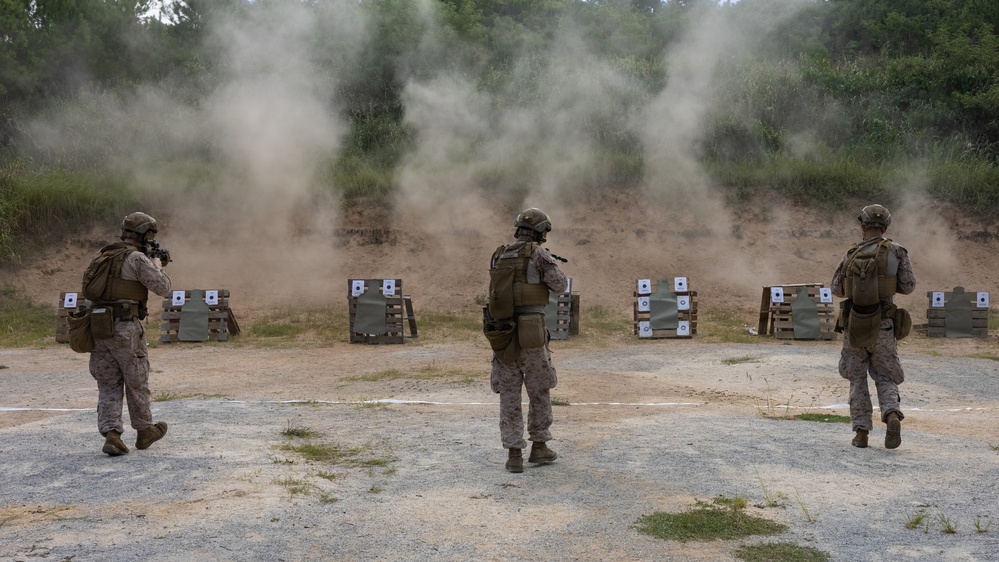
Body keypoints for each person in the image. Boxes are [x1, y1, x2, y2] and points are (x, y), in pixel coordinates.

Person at [486, 208, 568, 473]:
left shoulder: (498, 254)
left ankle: (513, 455)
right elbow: (560, 285)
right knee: (538, 390)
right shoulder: (538, 253)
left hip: (503, 334)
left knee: (509, 394)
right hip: (531, 333)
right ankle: (540, 447)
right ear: (541, 232)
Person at [86, 212, 173, 456]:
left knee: (108, 383)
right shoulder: (136, 258)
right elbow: (162, 287)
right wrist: (156, 264)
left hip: (99, 326)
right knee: (136, 379)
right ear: (146, 234)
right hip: (125, 327)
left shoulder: (104, 256)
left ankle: (112, 434)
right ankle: (145, 431)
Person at [831, 204, 916, 449]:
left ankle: (861, 433)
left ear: (863, 226)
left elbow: (837, 288)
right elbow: (908, 285)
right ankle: (891, 414)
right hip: (884, 324)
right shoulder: (897, 251)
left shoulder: (850, 254)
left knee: (857, 379)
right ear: (886, 227)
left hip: (855, 326)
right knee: (885, 375)